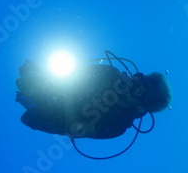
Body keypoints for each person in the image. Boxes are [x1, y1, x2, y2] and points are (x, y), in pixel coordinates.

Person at [15, 51, 171, 157]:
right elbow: (73, 74)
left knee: (30, 115)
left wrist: (66, 96)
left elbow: (76, 129)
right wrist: (46, 76)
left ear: (140, 106)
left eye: (138, 90)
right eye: (137, 79)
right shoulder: (110, 73)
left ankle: (35, 99)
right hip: (58, 90)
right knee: (28, 77)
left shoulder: (118, 126)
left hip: (56, 117)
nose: (131, 84)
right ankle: (37, 88)